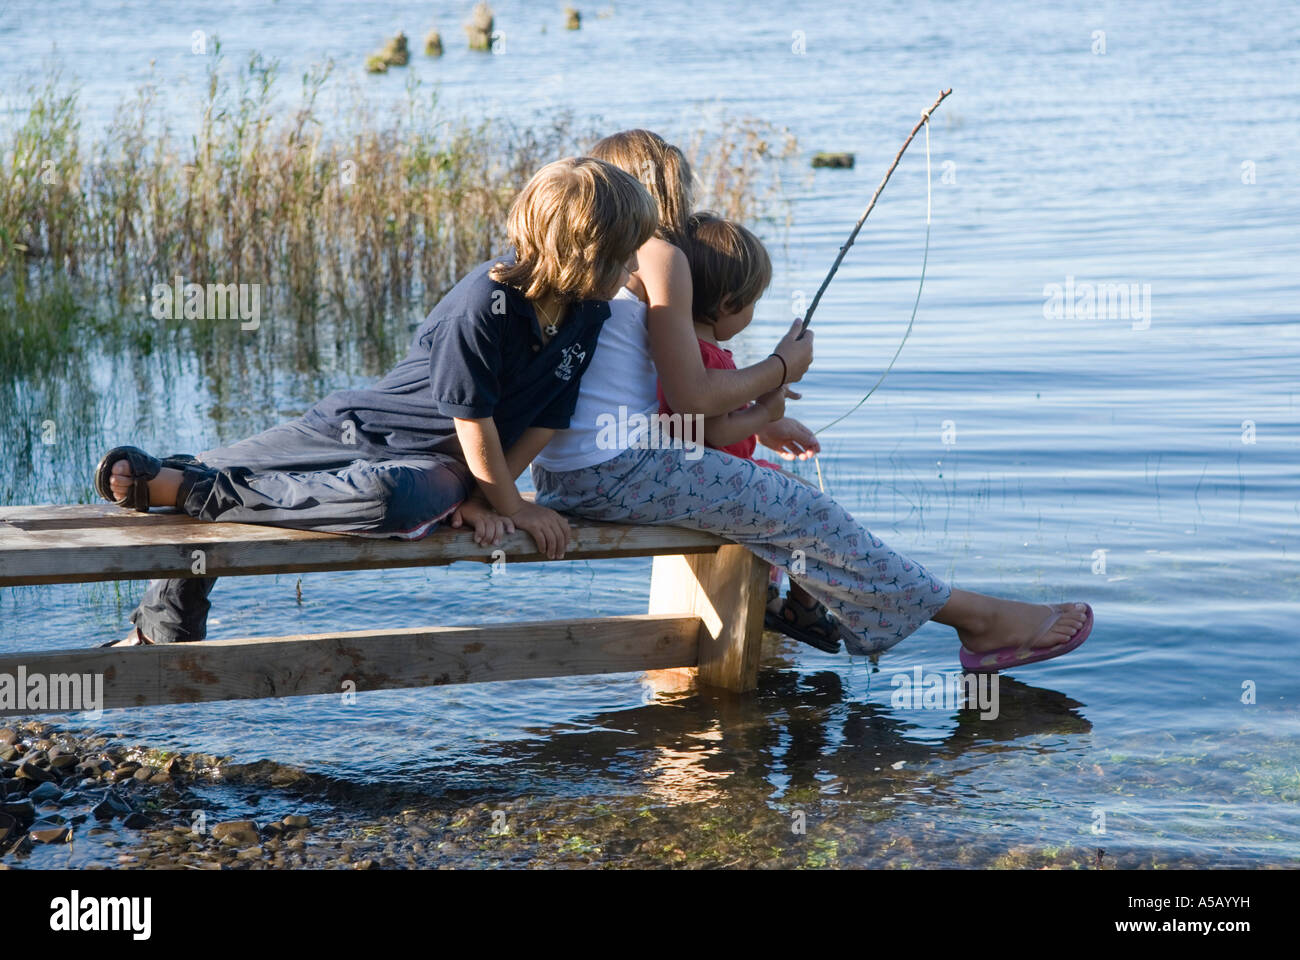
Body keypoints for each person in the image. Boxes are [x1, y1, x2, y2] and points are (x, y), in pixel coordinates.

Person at [531, 130, 1092, 670]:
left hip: (566, 472)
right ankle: (978, 618)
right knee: (809, 511)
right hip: (619, 473)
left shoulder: (585, 256)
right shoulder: (657, 255)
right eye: (683, 194)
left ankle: (800, 610)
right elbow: (690, 397)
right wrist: (779, 367)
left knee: (784, 496)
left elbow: (623, 395)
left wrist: (758, 421)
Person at [94, 156, 659, 646]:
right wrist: (510, 505)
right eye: (625, 255)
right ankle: (158, 630)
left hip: (437, 466)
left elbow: (544, 419)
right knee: (214, 466)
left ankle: (191, 491)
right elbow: (475, 419)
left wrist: (490, 498)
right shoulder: (483, 304)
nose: (634, 270)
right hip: (350, 427)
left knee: (389, 499)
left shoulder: (588, 315)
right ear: (584, 252)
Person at [657, 210, 844, 653]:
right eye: (752, 304)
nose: (753, 314)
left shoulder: (683, 351)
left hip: (713, 470)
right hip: (718, 475)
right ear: (727, 305)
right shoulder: (709, 359)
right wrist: (764, 411)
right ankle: (801, 606)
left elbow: (716, 414)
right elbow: (717, 431)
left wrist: (767, 422)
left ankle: (779, 600)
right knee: (807, 505)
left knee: (793, 491)